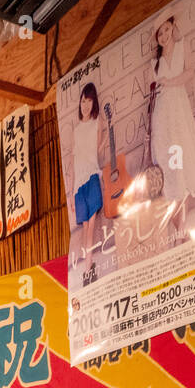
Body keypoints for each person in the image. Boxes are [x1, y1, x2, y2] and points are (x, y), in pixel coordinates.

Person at [149, 14, 195, 243]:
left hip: (179, 112)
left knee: (181, 165)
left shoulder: (182, 46)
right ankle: (179, 228)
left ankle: (181, 228)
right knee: (170, 170)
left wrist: (170, 81)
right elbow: (153, 93)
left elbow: (190, 72)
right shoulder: (154, 63)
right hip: (162, 118)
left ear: (173, 27)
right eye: (160, 34)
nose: (164, 36)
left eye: (166, 30)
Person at [71, 82, 109, 277]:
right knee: (85, 227)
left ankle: (88, 268)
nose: (85, 105)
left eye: (89, 101)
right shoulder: (76, 130)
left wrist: (104, 139)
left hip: (92, 176)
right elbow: (75, 159)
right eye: (83, 101)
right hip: (79, 185)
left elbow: (97, 150)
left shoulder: (98, 123)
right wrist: (71, 194)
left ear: (93, 103)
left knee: (91, 224)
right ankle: (88, 268)